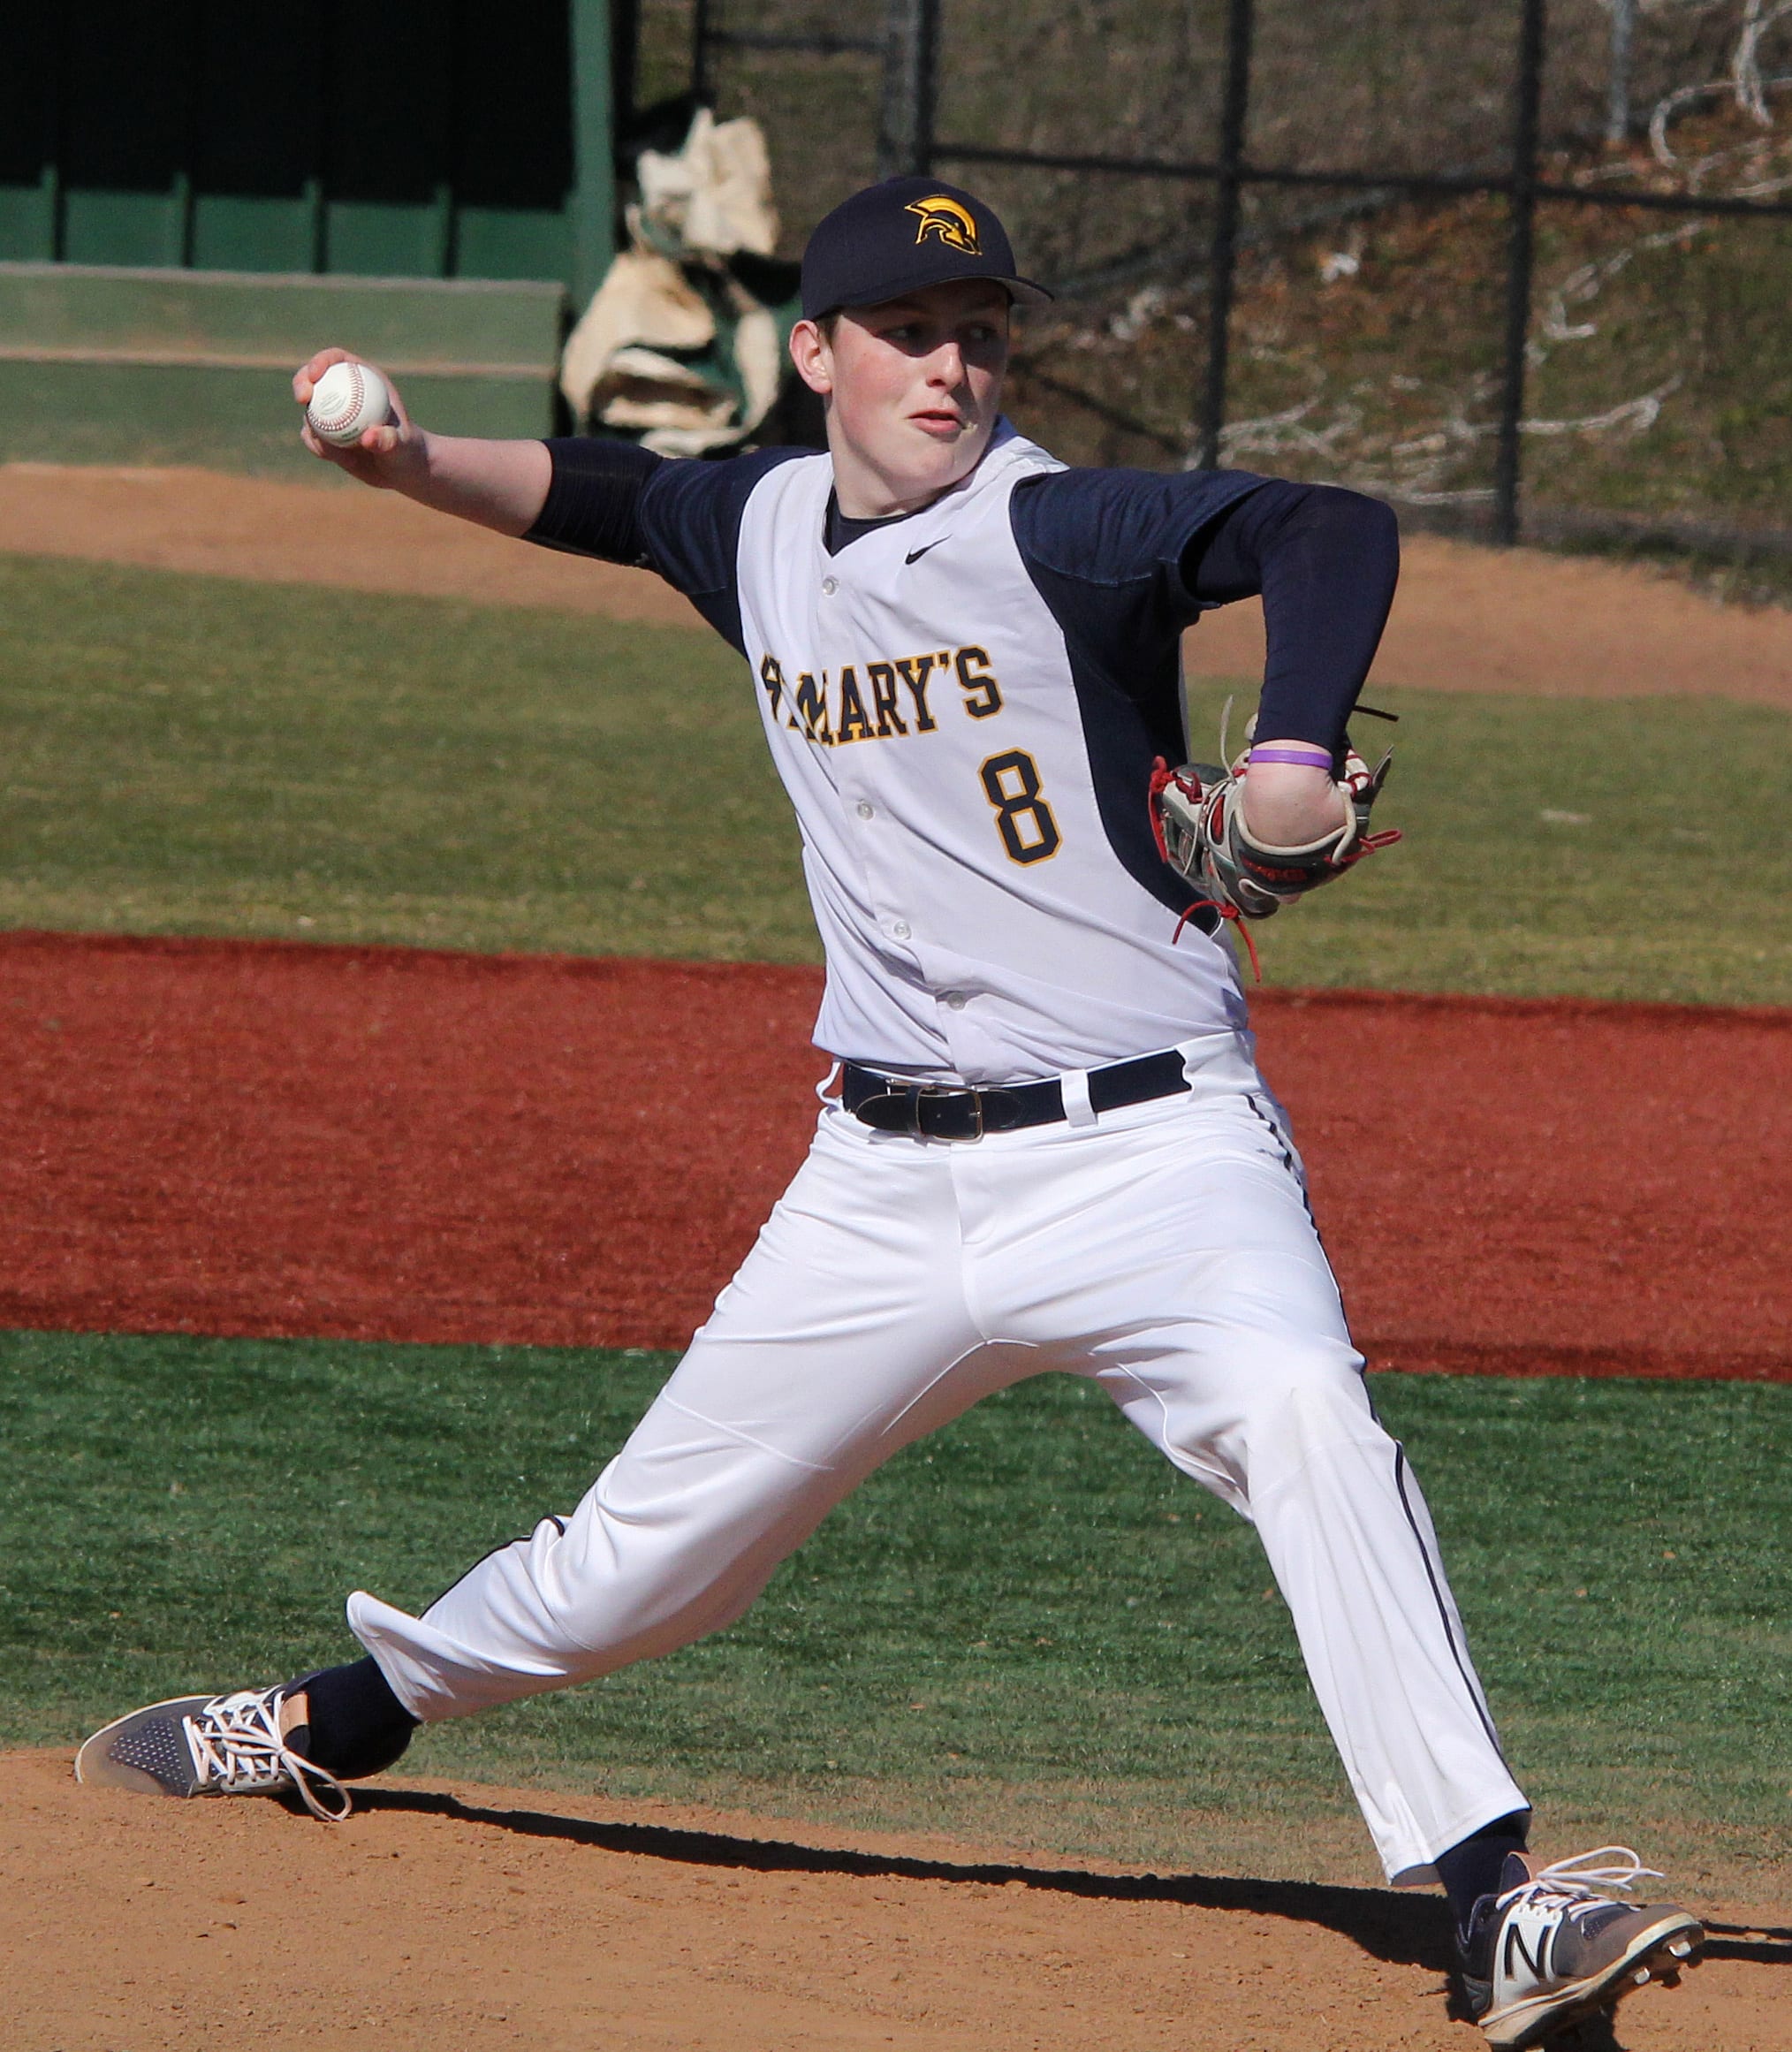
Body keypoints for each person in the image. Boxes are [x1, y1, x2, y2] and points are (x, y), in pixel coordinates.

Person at [77, 177, 1700, 2048]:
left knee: (1306, 1422)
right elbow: (596, 494)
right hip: (878, 1185)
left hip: (1150, 1157)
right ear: (816, 353)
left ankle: (1495, 1899)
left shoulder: (1066, 529)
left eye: (985, 333)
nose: (955, 361)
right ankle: (331, 1721)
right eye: (915, 330)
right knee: (639, 1573)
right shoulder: (754, 517)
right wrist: (410, 459)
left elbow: (1329, 524)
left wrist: (1290, 748)